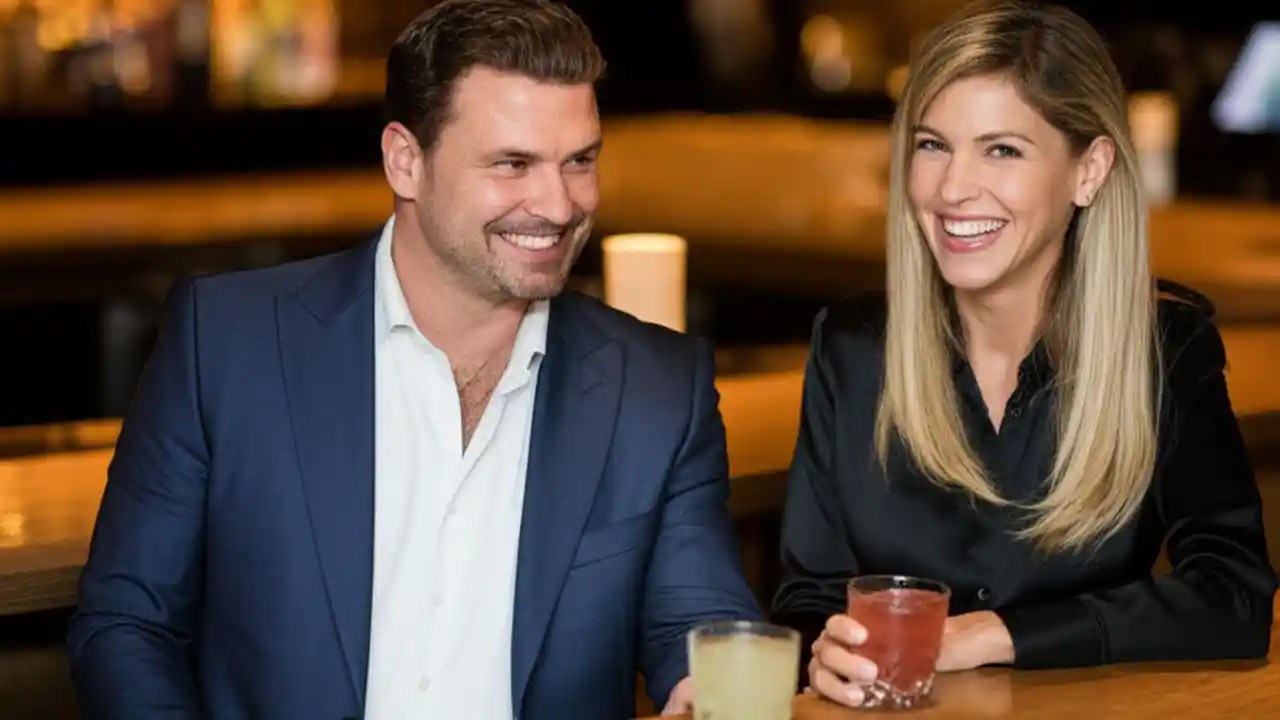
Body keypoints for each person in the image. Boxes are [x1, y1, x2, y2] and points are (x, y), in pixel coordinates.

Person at [67, 1, 761, 718]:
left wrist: (705, 690)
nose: (557, 205)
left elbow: (698, 631)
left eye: (579, 161)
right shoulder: (228, 343)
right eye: (512, 163)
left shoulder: (657, 385)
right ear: (406, 160)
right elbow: (127, 626)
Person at [771, 0, 1277, 708]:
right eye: (931, 144)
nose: (952, 189)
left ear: (1089, 171)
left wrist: (995, 635)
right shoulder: (853, 347)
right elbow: (808, 597)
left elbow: (1233, 598)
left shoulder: (1163, 349)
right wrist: (820, 654)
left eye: (1001, 149)